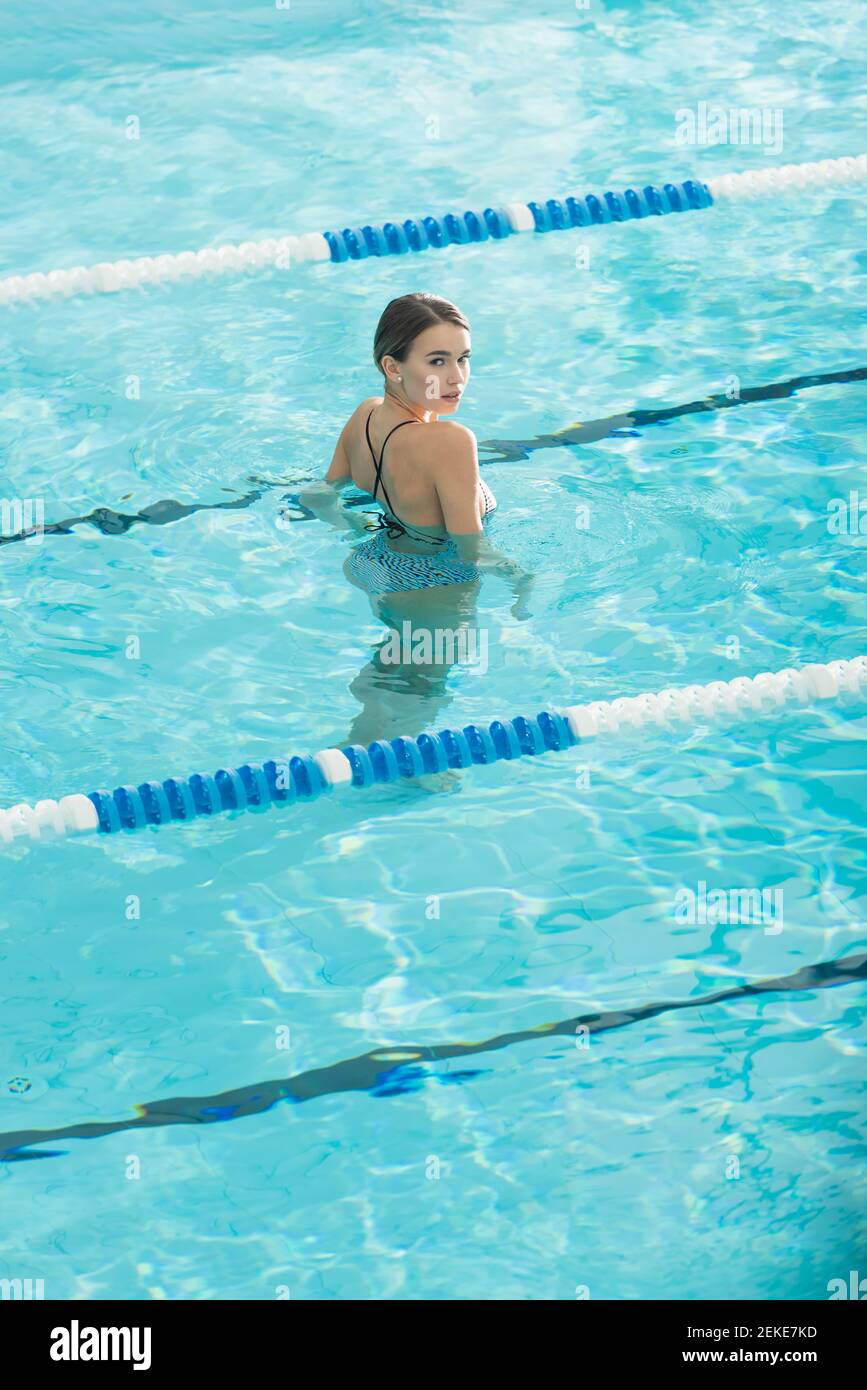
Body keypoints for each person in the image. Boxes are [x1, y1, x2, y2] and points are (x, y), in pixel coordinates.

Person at [298, 291, 532, 747]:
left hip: (380, 567)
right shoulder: (450, 441)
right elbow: (471, 547)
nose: (457, 378)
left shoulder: (366, 416)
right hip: (438, 589)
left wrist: (361, 531)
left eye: (463, 359)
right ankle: (376, 782)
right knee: (420, 692)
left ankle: (349, 763)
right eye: (438, 362)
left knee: (388, 682)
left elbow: (322, 496)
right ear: (393, 366)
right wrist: (523, 578)